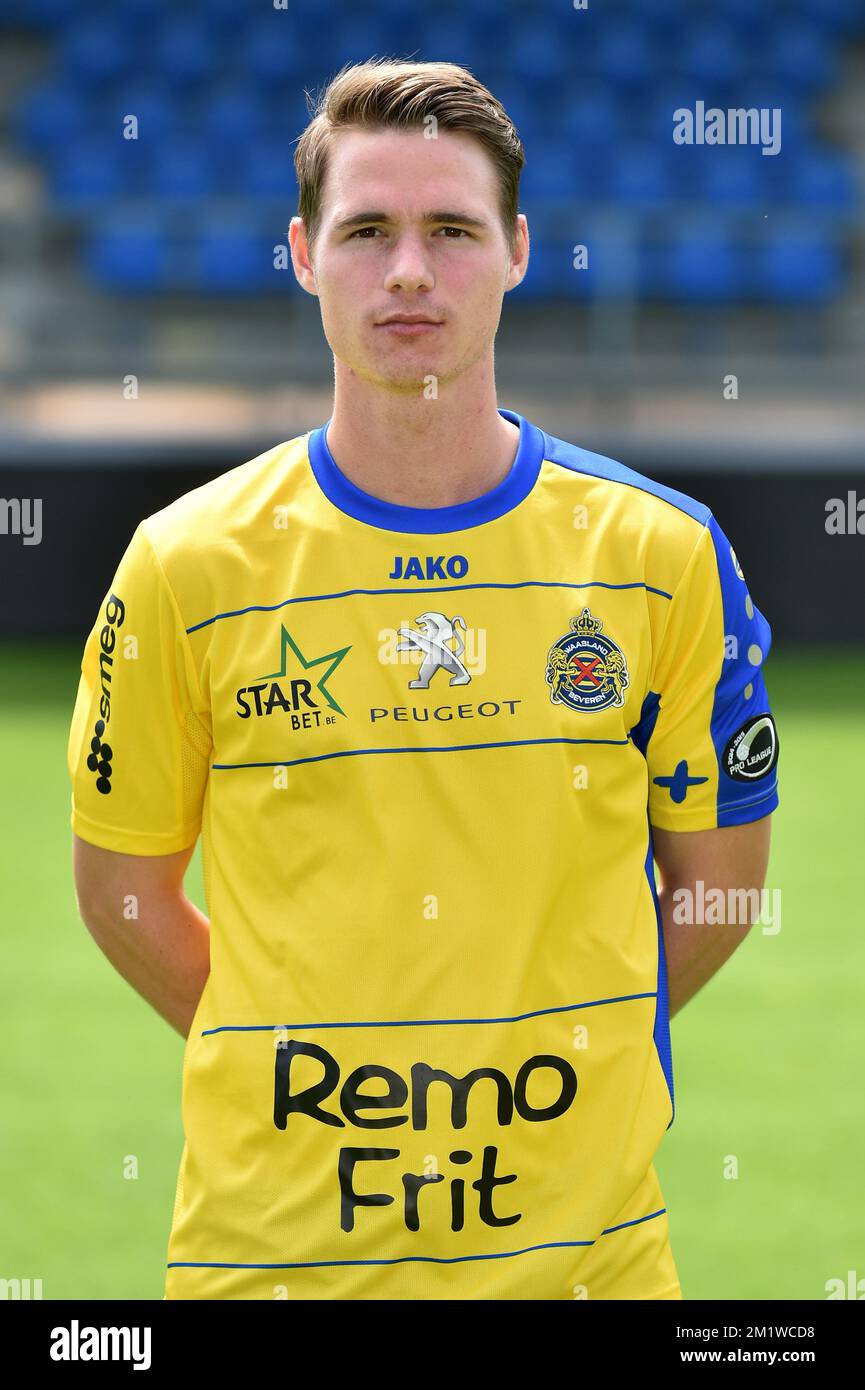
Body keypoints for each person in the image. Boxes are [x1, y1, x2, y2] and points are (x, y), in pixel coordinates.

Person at [67, 58, 779, 1301]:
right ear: (302, 253)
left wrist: (567, 1047)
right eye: (367, 231)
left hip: (585, 1271)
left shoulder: (659, 555)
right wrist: (307, 1059)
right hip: (270, 1265)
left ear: (516, 249)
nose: (407, 271)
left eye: (451, 230)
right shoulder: (184, 564)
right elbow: (125, 894)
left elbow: (718, 888)